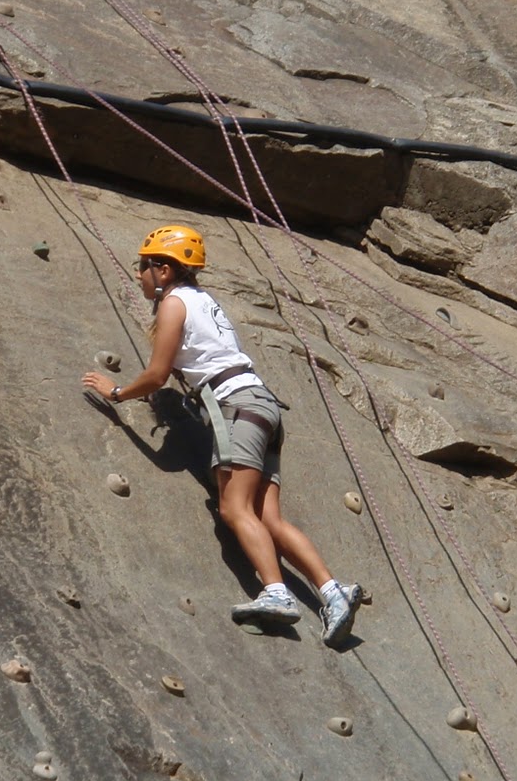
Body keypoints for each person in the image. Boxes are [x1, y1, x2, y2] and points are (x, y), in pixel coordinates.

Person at [81, 224, 362, 647]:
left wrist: (117, 393)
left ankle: (276, 594)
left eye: (142, 267)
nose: (139, 275)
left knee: (233, 509)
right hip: (261, 405)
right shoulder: (204, 301)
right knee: (268, 518)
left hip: (237, 409)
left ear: (164, 270)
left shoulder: (174, 303)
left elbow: (157, 374)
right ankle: (332, 592)